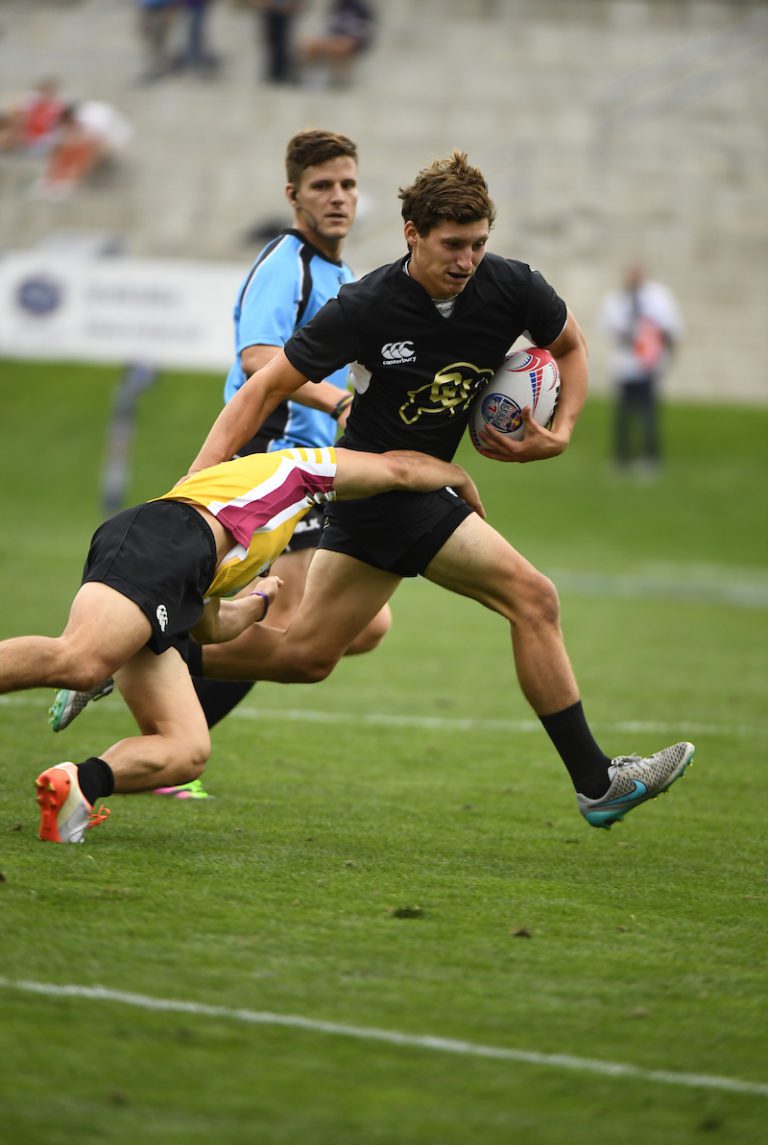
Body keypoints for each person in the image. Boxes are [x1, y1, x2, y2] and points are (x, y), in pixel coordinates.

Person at [175, 150, 695, 830]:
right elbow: (263, 383)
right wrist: (198, 483)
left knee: (307, 655)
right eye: (452, 245)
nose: (466, 259)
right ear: (412, 233)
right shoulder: (366, 305)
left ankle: (148, 646)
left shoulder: (512, 287)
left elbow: (570, 346)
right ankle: (597, 782)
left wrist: (561, 430)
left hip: (387, 501)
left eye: (478, 244)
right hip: (382, 487)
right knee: (533, 598)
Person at [49, 129, 393, 800]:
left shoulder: (343, 277)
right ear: (293, 195)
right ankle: (142, 667)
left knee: (356, 629)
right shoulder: (284, 264)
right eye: (322, 186)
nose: (338, 198)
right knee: (302, 635)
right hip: (266, 465)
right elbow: (259, 359)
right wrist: (335, 401)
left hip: (313, 477)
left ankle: (148, 654)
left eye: (348, 184)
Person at [0, 445, 483, 844]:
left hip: (181, 575)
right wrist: (458, 477)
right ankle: (104, 665)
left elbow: (208, 627)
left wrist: (257, 603)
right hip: (161, 541)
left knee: (186, 751)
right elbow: (399, 468)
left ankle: (76, 786)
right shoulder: (298, 470)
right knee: (81, 661)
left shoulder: (270, 538)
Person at [599, 264, 683, 474]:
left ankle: (650, 457)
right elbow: (610, 328)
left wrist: (662, 352)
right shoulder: (616, 299)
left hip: (648, 363)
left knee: (647, 413)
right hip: (625, 363)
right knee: (623, 415)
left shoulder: (658, 297)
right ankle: (622, 458)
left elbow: (670, 329)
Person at [297, 0, 375, 89]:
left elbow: (367, 29)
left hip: (353, 40)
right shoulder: (337, 5)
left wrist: (353, 39)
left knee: (341, 47)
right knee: (311, 45)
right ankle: (310, 76)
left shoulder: (362, 8)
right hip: (335, 38)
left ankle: (337, 80)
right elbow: (329, 25)